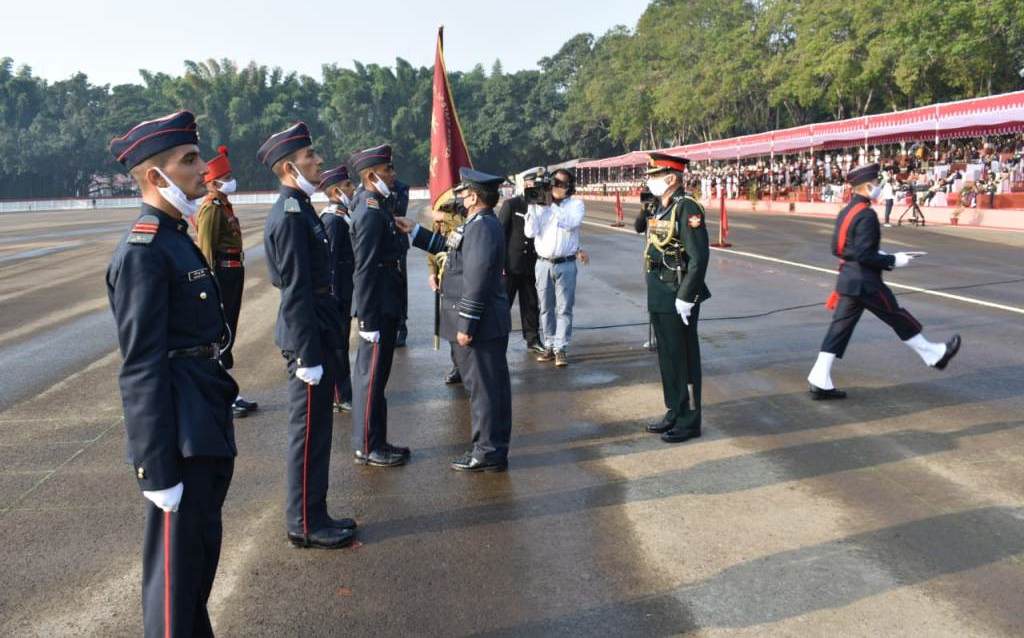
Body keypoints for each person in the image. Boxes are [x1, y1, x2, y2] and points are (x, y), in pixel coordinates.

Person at [106, 110, 238, 637]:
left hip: (202, 412)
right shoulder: (143, 251)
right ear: (154, 177)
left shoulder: (174, 236)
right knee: (173, 583)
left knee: (197, 567)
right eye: (189, 161)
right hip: (178, 433)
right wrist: (155, 469)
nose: (202, 169)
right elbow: (140, 366)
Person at [259, 122, 357, 549]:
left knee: (320, 433)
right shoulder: (291, 214)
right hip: (307, 335)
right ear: (288, 167)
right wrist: (306, 355)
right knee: (307, 433)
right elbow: (295, 288)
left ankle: (316, 512)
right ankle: (303, 522)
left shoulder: (302, 208)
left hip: (317, 327)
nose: (318, 161)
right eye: (309, 157)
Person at [807, 163, 962, 399]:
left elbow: (839, 249)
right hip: (866, 282)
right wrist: (892, 259)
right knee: (896, 315)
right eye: (877, 184)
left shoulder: (847, 211)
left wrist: (879, 255)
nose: (879, 187)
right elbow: (864, 254)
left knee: (839, 329)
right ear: (867, 187)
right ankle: (933, 354)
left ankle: (820, 377)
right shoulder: (867, 215)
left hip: (848, 280)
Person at [399, 168, 513, 471]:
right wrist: (414, 231)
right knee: (488, 389)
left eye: (463, 193)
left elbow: (476, 280)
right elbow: (449, 250)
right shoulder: (476, 224)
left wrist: (466, 325)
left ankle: (487, 451)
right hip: (484, 324)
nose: (459, 198)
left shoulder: (482, 228)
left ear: (474, 196)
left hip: (481, 325)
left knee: (485, 391)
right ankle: (492, 449)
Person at [635, 152, 710, 444]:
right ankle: (674, 410)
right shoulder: (659, 206)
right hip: (659, 289)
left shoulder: (686, 207)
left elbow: (699, 257)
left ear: (670, 178)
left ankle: (690, 419)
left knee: (685, 357)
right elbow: (640, 229)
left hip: (678, 292)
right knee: (667, 356)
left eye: (654, 176)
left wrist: (686, 296)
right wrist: (645, 209)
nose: (649, 181)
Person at [348, 144, 411, 468]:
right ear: (372, 176)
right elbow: (365, 269)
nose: (394, 174)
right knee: (371, 378)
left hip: (386, 300)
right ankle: (368, 446)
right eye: (388, 170)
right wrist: (368, 320)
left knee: (378, 376)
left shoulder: (378, 207)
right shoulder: (370, 212)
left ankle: (378, 439)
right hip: (378, 306)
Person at [194, 144, 258, 419]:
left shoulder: (225, 205)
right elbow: (206, 249)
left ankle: (228, 391)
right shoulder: (211, 208)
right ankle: (222, 395)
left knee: (228, 330)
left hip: (233, 273)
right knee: (222, 334)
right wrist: (210, 282)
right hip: (221, 275)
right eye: (227, 176)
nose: (231, 180)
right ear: (213, 182)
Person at [524, 168, 584, 367]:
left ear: (569, 187)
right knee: (545, 308)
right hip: (542, 263)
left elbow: (570, 223)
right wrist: (533, 206)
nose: (556, 187)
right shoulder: (540, 205)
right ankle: (549, 344)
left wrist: (552, 205)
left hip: (565, 263)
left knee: (564, 308)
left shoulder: (575, 204)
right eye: (554, 183)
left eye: (561, 184)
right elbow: (530, 232)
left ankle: (561, 348)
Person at [318, 165, 357, 413]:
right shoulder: (332, 219)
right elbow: (330, 261)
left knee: (342, 342)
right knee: (338, 344)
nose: (352, 189)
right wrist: (332, 293)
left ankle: (343, 391)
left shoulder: (342, 215)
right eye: (347, 186)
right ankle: (339, 394)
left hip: (345, 288)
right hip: (337, 292)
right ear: (335, 190)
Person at [498, 170, 543, 354]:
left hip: (531, 264)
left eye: (537, 184)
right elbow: (500, 234)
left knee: (531, 304)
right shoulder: (512, 204)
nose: (534, 187)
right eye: (531, 184)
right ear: (525, 185)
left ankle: (532, 339)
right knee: (503, 305)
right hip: (510, 265)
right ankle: (498, 340)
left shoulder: (542, 206)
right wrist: (500, 264)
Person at [426, 189, 467, 384]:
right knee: (451, 326)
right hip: (445, 279)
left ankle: (469, 365)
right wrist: (432, 273)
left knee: (465, 325)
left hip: (462, 278)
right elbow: (434, 249)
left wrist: (446, 216)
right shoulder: (438, 221)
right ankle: (457, 366)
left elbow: (463, 226)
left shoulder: (461, 216)